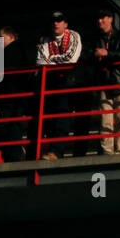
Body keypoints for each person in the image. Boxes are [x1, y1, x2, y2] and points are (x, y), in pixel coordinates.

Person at [36, 11, 83, 159]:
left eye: (59, 20)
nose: (56, 23)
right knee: (49, 118)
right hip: (51, 84)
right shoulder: (46, 40)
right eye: (54, 21)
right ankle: (52, 151)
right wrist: (58, 61)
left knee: (64, 117)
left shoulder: (74, 36)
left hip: (70, 84)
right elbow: (40, 61)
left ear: (66, 24)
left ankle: (57, 151)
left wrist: (52, 60)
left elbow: (72, 58)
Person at [90, 9, 120, 155]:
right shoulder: (96, 38)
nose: (100, 21)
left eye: (103, 18)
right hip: (106, 82)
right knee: (105, 120)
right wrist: (94, 55)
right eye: (98, 19)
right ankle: (107, 152)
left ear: (110, 19)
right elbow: (86, 54)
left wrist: (107, 54)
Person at [0, 26, 33, 161]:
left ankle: (12, 156)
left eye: (1, 38)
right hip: (14, 97)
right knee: (8, 125)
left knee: (7, 126)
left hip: (11, 97)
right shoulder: (20, 51)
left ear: (11, 37)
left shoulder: (11, 52)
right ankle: (11, 155)